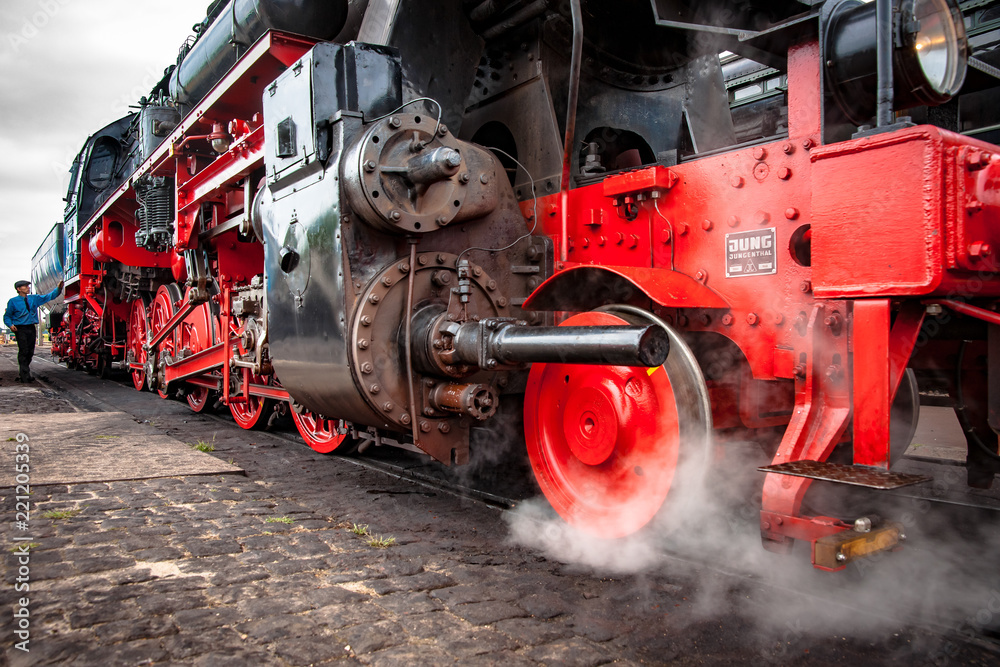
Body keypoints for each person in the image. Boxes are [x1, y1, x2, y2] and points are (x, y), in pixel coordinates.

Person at [4, 279, 63, 383]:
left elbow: (49, 296)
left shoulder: (34, 299)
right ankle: (24, 375)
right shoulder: (13, 301)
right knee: (24, 350)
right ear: (18, 289)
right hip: (20, 328)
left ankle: (25, 372)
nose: (28, 287)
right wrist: (10, 325)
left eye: (28, 286)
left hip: (31, 328)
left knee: (30, 351)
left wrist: (59, 288)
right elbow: (7, 316)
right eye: (25, 286)